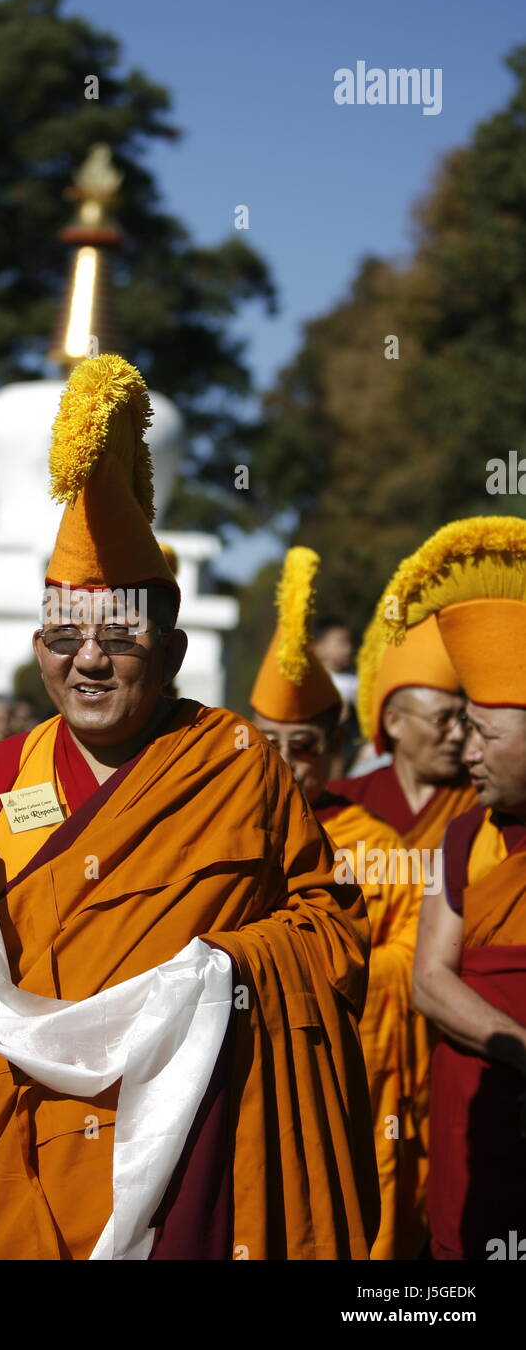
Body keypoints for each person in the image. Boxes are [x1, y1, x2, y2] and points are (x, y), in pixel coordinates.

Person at [0, 354, 380, 1260]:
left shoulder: (235, 762)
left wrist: (221, 970)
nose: (90, 661)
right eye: (66, 638)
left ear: (174, 650)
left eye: (119, 637)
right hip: (36, 1130)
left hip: (189, 1126)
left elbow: (333, 935)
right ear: (39, 650)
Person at [250, 547, 429, 1260]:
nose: (287, 763)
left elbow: (411, 956)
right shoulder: (222, 833)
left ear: (332, 751)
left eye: (303, 746)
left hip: (355, 1068)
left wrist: (310, 977)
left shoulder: (378, 842)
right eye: (266, 744)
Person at [391, 517, 526, 1260]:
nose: (466, 752)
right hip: (478, 1108)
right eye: (462, 728)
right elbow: (430, 981)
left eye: (487, 734)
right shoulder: (466, 836)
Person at [329, 590, 476, 852]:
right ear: (394, 722)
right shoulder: (344, 804)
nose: (457, 735)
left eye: (462, 718)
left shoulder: (481, 801)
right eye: (442, 719)